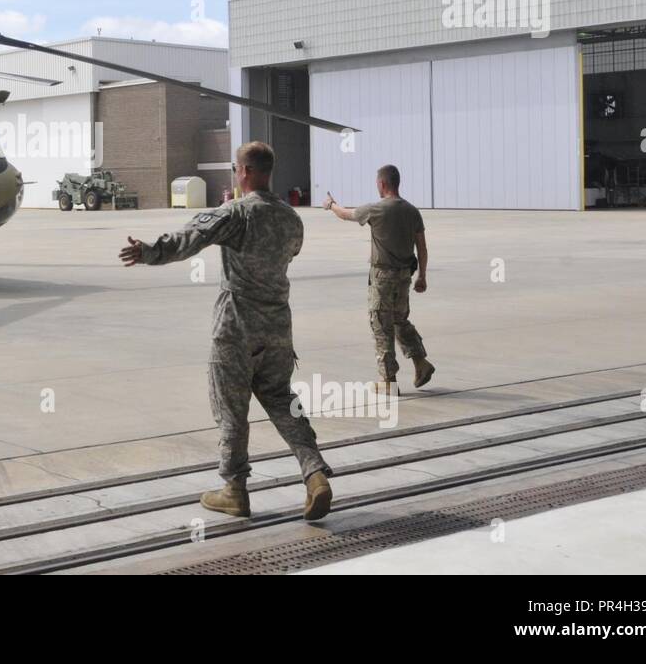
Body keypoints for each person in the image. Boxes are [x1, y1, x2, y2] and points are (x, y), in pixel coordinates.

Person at [118, 141, 332, 521]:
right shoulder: (290, 218)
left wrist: (149, 252)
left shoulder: (236, 213)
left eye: (236, 169)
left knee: (231, 410)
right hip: (278, 329)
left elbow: (190, 240)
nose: (236, 175)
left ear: (245, 172)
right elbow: (291, 253)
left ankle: (234, 490)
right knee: (283, 401)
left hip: (237, 327)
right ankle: (314, 472)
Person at [324, 164, 434, 390]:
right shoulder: (412, 211)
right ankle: (421, 362)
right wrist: (422, 276)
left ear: (382, 184)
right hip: (405, 276)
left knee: (381, 325)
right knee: (399, 321)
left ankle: (388, 381)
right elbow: (422, 247)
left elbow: (346, 214)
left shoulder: (376, 210)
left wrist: (331, 205)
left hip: (383, 277)